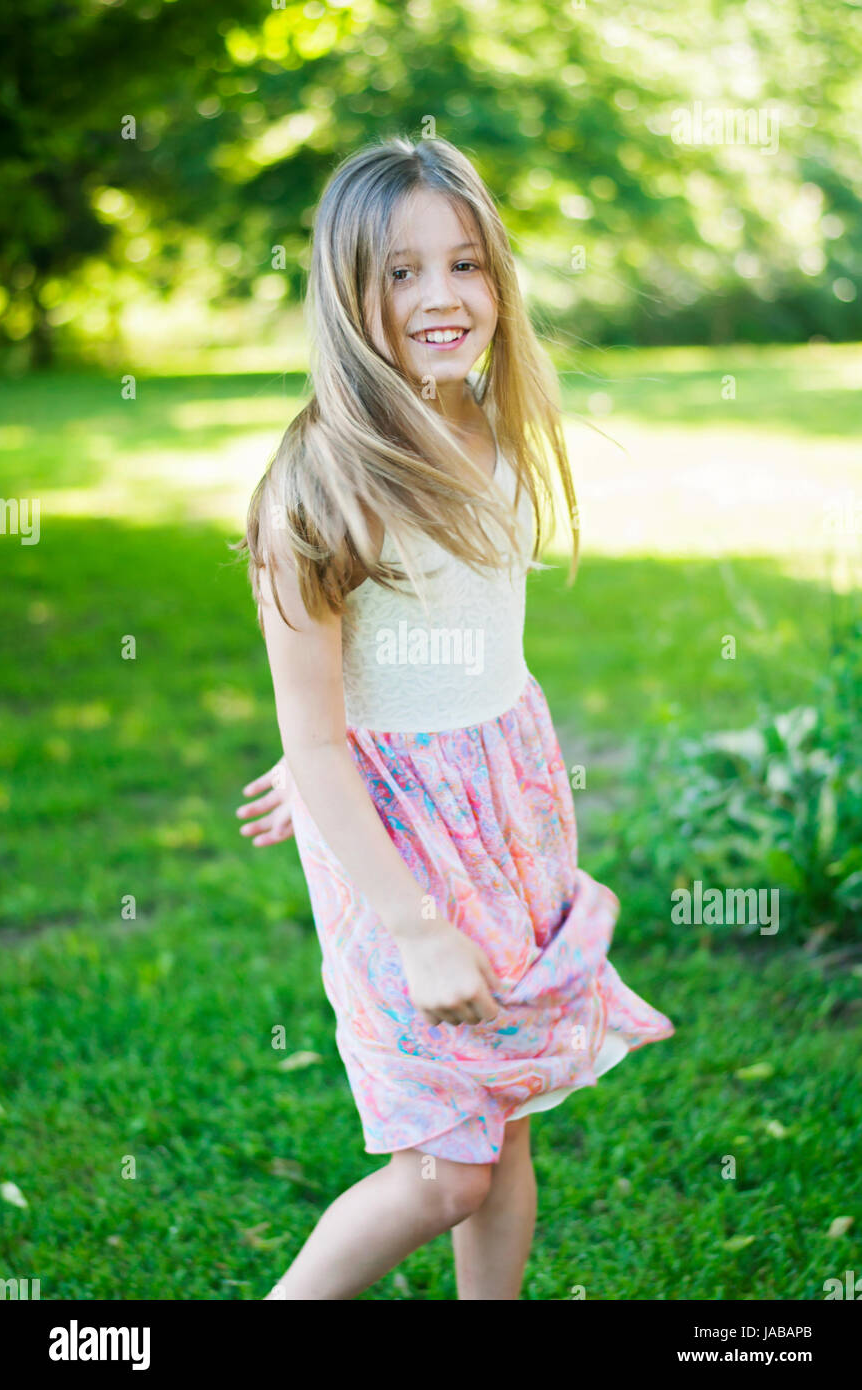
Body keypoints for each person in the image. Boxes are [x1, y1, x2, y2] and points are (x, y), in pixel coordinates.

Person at [234, 134, 674, 1300]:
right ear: (346, 291)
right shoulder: (318, 494)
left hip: (508, 801)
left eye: (465, 264)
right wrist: (413, 915)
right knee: (442, 1173)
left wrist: (348, 736)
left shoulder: (493, 425)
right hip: (393, 853)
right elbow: (320, 731)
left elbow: (442, 654)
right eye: (399, 272)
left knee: (504, 1115)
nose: (441, 296)